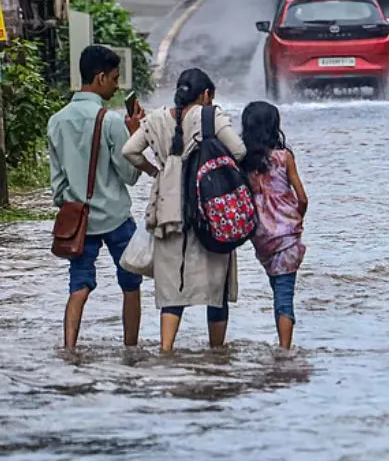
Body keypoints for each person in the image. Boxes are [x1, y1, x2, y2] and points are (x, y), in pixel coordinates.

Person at [122, 68, 246, 354]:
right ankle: (217, 355)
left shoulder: (154, 120)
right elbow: (238, 151)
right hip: (208, 206)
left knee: (171, 288)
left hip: (168, 209)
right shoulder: (210, 117)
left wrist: (157, 171)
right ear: (205, 95)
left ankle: (166, 351)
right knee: (216, 290)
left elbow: (130, 151)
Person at [48, 45, 152, 351]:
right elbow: (129, 175)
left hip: (79, 220)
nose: (117, 85)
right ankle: (130, 350)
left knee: (78, 285)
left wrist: (73, 204)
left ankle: (69, 350)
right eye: (115, 78)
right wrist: (134, 134)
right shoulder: (109, 121)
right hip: (116, 218)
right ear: (100, 76)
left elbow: (57, 183)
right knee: (131, 284)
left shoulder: (57, 121)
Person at [241, 101, 308, 351]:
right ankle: (284, 349)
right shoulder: (284, 158)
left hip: (260, 237)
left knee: (276, 287)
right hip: (286, 236)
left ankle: (282, 345)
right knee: (284, 294)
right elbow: (302, 198)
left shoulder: (244, 161)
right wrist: (295, 218)